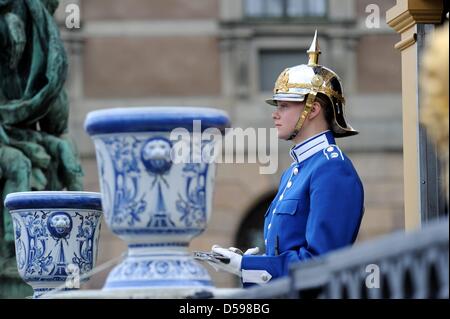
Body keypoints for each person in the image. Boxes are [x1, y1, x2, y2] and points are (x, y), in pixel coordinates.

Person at [208, 31, 365, 287]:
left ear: (312, 110)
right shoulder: (296, 171)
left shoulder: (333, 169)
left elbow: (320, 263)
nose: (275, 114)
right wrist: (247, 264)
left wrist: (247, 267)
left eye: (284, 106)